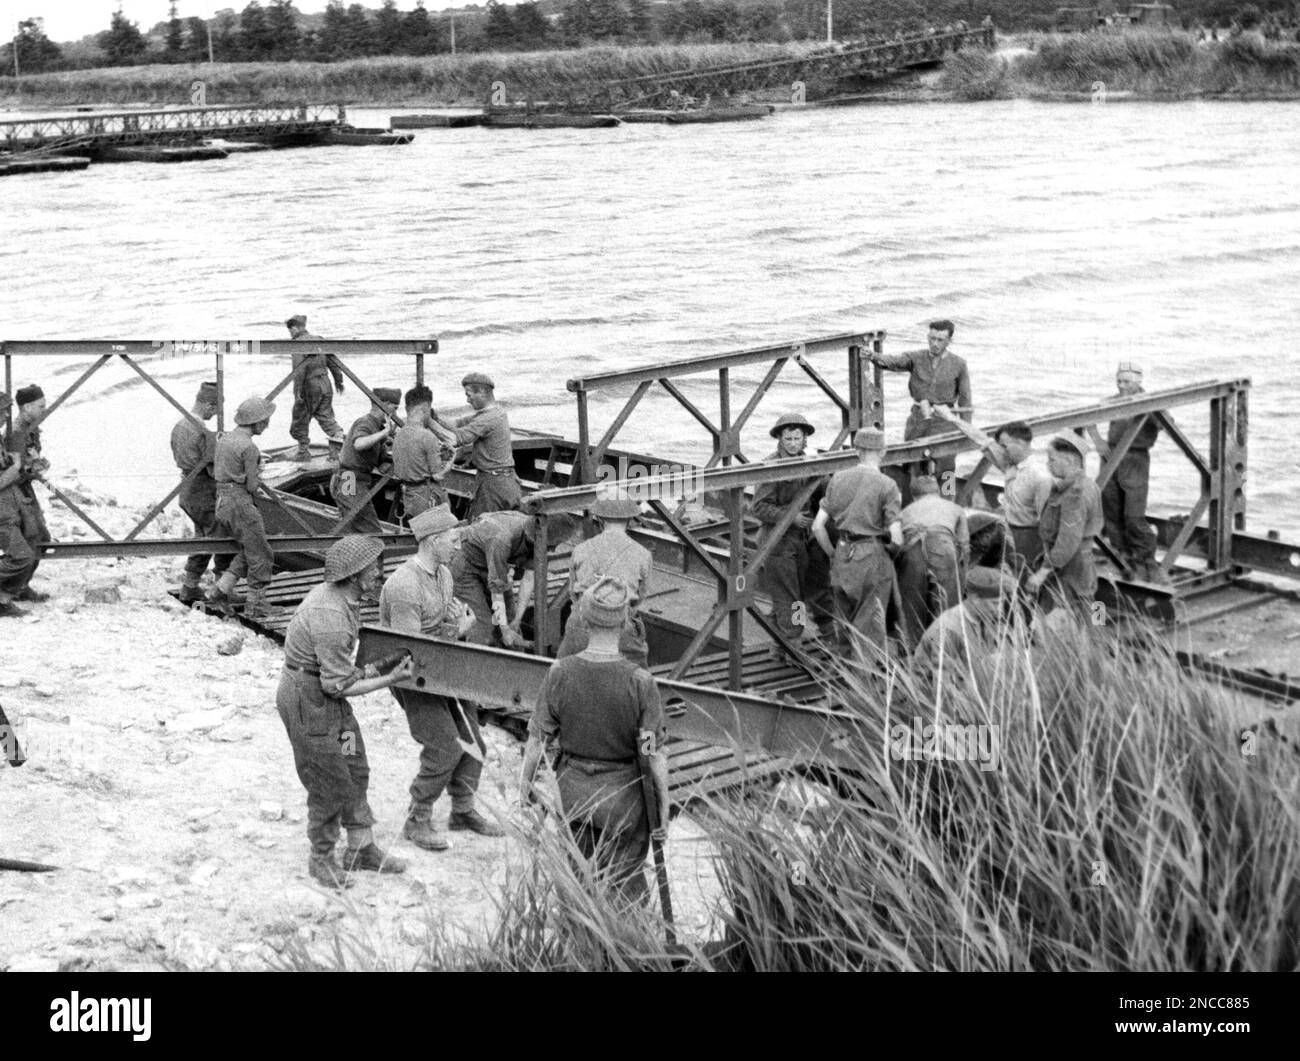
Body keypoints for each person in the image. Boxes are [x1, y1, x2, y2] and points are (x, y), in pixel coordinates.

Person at [520, 577, 671, 908]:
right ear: (625, 623)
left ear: (584, 621)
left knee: (576, 880)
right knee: (624, 888)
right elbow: (651, 753)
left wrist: (525, 789)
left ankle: (579, 944)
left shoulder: (560, 672)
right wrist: (663, 805)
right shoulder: (640, 682)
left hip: (572, 794)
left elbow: (537, 742)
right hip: (624, 800)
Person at [278, 534, 414, 890]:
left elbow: (341, 672)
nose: (380, 574)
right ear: (354, 576)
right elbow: (337, 685)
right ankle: (321, 858)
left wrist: (373, 668)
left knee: (354, 765)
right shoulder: (331, 614)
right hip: (309, 702)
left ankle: (361, 848)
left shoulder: (347, 600)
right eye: (374, 569)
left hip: (331, 701)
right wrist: (391, 678)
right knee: (328, 780)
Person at [379, 506, 504, 850]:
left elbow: (445, 626)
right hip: (411, 677)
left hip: (443, 667)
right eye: (452, 540)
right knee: (444, 746)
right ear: (433, 541)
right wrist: (457, 630)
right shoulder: (404, 585)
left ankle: (462, 810)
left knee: (474, 743)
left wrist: (457, 628)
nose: (458, 546)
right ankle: (416, 819)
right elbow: (412, 651)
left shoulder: (444, 575)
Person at [812, 427, 902, 655]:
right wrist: (891, 552)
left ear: (857, 450)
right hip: (871, 555)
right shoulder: (887, 484)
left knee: (843, 622)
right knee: (869, 628)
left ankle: (843, 676)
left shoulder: (837, 479)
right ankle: (862, 683)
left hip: (843, 554)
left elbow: (817, 526)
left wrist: (833, 554)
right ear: (883, 452)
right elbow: (897, 536)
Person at [749, 412, 833, 651]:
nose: (794, 443)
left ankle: (780, 647)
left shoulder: (806, 463)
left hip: (798, 541)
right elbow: (758, 507)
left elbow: (822, 489)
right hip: (776, 542)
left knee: (789, 595)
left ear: (804, 439)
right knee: (791, 597)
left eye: (798, 438)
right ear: (780, 440)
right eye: (789, 439)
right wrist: (792, 517)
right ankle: (794, 642)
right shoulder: (772, 466)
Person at [933, 407, 1053, 570]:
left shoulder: (1039, 477)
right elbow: (980, 439)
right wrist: (951, 417)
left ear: (1020, 443)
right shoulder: (1011, 464)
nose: (1001, 451)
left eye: (1005, 446)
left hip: (1030, 536)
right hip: (1010, 530)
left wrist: (1046, 563)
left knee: (1026, 576)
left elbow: (1048, 523)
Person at [452, 509, 582, 649]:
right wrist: (504, 630)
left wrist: (516, 621)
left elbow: (528, 579)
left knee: (514, 633)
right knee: (483, 629)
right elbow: (497, 588)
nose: (553, 550)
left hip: (495, 570)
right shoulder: (502, 539)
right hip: (467, 570)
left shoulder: (536, 535)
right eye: (550, 546)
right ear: (537, 539)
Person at [869, 321, 971, 495]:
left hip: (945, 421)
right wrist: (873, 356)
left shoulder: (959, 364)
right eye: (931, 338)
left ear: (949, 341)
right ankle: (912, 507)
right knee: (913, 466)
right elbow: (894, 362)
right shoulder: (916, 358)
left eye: (940, 339)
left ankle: (948, 505)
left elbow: (965, 399)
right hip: (918, 419)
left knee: (946, 469)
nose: (935, 344)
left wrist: (965, 429)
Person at [557, 496, 653, 665]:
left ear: (599, 519)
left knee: (562, 673)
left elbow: (572, 593)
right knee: (637, 680)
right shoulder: (643, 554)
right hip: (620, 626)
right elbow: (640, 599)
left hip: (581, 623)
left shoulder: (580, 549)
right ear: (629, 520)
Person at [209, 396, 276, 619]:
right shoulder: (249, 447)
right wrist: (258, 469)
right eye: (265, 421)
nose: (266, 425)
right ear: (255, 422)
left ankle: (220, 590)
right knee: (262, 553)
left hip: (222, 500)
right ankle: (256, 604)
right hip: (239, 502)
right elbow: (252, 485)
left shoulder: (225, 439)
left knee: (249, 548)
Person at [1097, 363, 1164, 583]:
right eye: (1119, 381)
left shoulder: (1150, 401)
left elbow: (1166, 424)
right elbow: (1087, 418)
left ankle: (1147, 559)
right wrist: (1097, 441)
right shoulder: (1112, 400)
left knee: (1133, 516)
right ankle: (1122, 556)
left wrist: (1147, 408)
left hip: (1135, 458)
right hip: (1111, 457)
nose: (1122, 386)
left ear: (1138, 382)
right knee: (1111, 510)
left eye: (1126, 382)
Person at [914, 566, 1021, 699]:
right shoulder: (949, 629)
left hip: (965, 687)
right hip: (929, 703)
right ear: (975, 599)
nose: (999, 609)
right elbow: (940, 687)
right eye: (994, 603)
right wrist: (976, 704)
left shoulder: (985, 619)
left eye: (1001, 603)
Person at [170, 381, 234, 604]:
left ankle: (190, 585)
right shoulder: (202, 432)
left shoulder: (180, 425)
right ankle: (220, 588)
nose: (215, 414)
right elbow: (213, 468)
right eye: (215, 410)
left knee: (203, 535)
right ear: (208, 405)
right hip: (202, 490)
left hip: (187, 489)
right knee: (222, 535)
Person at [1027, 432, 1103, 612]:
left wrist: (1043, 571)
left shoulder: (1075, 494)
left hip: (1071, 564)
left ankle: (1096, 638)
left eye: (1052, 460)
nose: (1048, 464)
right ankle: (1099, 635)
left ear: (1068, 460)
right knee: (1088, 605)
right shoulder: (1085, 485)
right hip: (1078, 561)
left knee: (1077, 609)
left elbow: (1068, 539)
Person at [895, 474, 969, 651]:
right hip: (943, 548)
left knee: (911, 605)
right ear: (937, 491)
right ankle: (942, 651)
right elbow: (964, 545)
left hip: (912, 550)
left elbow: (896, 543)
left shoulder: (904, 512)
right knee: (945, 604)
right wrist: (963, 581)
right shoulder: (955, 508)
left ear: (914, 495)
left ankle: (909, 652)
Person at [432, 373, 520, 520]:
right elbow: (456, 424)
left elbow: (457, 438)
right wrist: (435, 417)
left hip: (493, 484)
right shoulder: (494, 412)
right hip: (507, 480)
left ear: (482, 392)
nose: (467, 400)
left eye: (469, 394)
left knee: (483, 527)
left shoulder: (488, 418)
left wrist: (428, 422)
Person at [5, 384, 52, 602]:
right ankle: (13, 589)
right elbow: (14, 470)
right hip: (16, 493)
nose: (44, 410)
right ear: (26, 407)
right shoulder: (16, 434)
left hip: (24, 490)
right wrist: (31, 468)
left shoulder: (31, 430)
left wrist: (38, 463)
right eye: (40, 406)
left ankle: (21, 586)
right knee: (33, 537)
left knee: (41, 537)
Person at [332, 387, 401, 535]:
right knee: (371, 532)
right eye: (394, 408)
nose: (395, 414)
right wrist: (384, 433)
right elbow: (359, 444)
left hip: (358, 482)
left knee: (358, 527)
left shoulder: (376, 428)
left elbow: (382, 465)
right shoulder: (366, 423)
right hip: (348, 481)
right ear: (386, 405)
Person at [286, 314, 345, 463]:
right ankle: (339, 448)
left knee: (300, 418)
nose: (290, 334)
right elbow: (333, 362)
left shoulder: (298, 343)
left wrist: (297, 393)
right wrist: (339, 380)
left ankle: (303, 452)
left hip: (310, 386)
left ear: (294, 328)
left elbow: (298, 370)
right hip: (326, 383)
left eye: (290, 330)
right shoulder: (319, 339)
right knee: (326, 416)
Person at [0, 392, 35, 618]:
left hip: (11, 508)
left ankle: (3, 599)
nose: (5, 415)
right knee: (21, 557)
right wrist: (13, 470)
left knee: (31, 545)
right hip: (2, 514)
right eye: (1, 411)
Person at [392, 384, 449, 521]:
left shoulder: (399, 434)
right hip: (426, 497)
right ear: (426, 408)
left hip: (408, 496)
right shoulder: (428, 437)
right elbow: (438, 475)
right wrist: (449, 464)